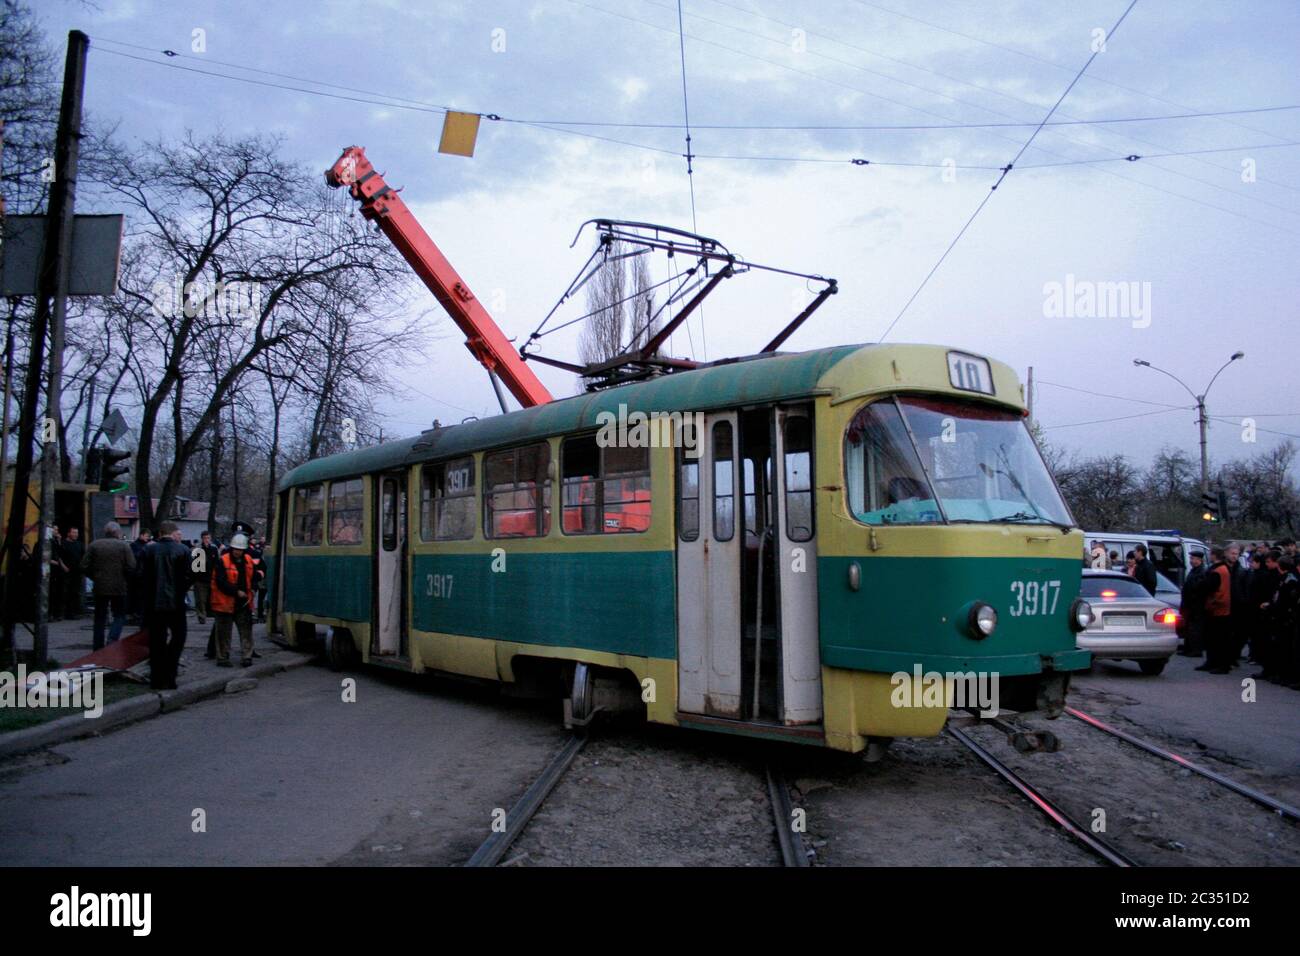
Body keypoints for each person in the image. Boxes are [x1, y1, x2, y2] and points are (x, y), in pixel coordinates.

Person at [141, 521, 193, 690]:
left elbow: (139, 575)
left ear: (160, 533)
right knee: (179, 637)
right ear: (172, 533)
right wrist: (181, 592)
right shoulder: (183, 551)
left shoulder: (148, 550)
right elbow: (190, 576)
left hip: (154, 604)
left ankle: (156, 679)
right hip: (176, 603)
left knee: (156, 641)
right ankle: (170, 674)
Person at [81, 521, 136, 651]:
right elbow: (131, 566)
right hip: (119, 586)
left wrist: (94, 576)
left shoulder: (94, 545)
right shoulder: (124, 546)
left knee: (99, 617)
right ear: (117, 532)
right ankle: (112, 640)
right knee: (119, 615)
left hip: (100, 586)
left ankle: (97, 646)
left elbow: (83, 566)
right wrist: (124, 577)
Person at [212, 532, 258, 668]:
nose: (238, 552)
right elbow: (220, 582)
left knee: (246, 632)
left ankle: (247, 657)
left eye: (240, 550)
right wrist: (236, 592)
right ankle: (222, 658)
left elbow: (254, 576)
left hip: (243, 603)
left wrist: (254, 588)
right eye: (236, 549)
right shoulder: (223, 561)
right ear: (232, 548)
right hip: (225, 603)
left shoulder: (248, 560)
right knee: (223, 634)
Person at [1199, 547, 1235, 674]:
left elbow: (1209, 587)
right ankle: (1213, 662)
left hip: (1218, 607)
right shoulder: (1223, 569)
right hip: (1220, 607)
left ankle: (1221, 664)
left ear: (1214, 555)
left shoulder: (1218, 570)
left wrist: (1201, 585)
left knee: (1218, 639)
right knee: (1214, 638)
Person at [1178, 551, 1209, 658]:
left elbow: (1197, 588)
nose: (1191, 561)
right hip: (1190, 604)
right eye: (1191, 558)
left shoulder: (1201, 572)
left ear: (1199, 560)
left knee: (1196, 628)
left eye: (1193, 559)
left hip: (1196, 605)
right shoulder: (1194, 571)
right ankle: (1188, 648)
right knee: (1189, 627)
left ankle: (1196, 649)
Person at [193, 530, 219, 625]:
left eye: (208, 538)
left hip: (211, 577)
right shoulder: (198, 549)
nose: (206, 540)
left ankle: (211, 613)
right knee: (201, 599)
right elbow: (195, 565)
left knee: (211, 598)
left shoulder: (213, 549)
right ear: (202, 539)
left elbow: (216, 563)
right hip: (201, 578)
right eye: (205, 538)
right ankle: (201, 615)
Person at [127, 528, 153, 624]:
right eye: (146, 536)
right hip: (137, 576)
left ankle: (139, 615)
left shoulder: (142, 545)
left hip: (143, 575)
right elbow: (135, 557)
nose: (148, 538)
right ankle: (136, 615)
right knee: (137, 597)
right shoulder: (134, 545)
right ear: (141, 535)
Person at [60, 526, 85, 619]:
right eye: (74, 533)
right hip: (66, 571)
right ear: (68, 533)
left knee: (75, 592)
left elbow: (84, 556)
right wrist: (63, 566)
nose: (75, 535)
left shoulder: (79, 544)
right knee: (65, 592)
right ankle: (64, 613)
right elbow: (59, 556)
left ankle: (74, 612)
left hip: (77, 572)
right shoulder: (63, 544)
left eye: (76, 533)